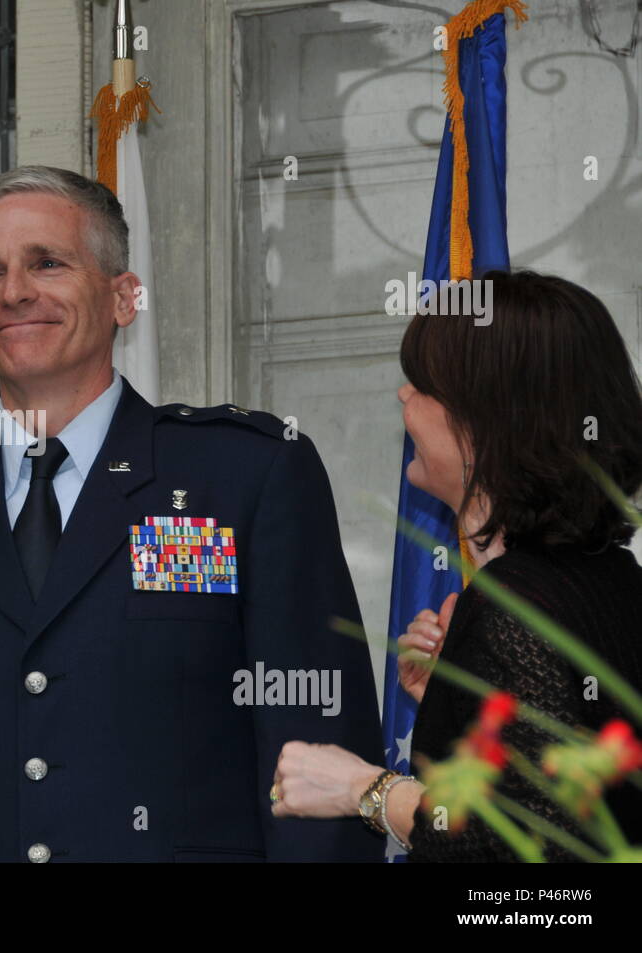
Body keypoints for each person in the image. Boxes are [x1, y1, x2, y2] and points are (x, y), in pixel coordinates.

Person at [0, 165, 383, 862]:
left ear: (123, 298)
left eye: (47, 263)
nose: (14, 291)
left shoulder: (246, 476)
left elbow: (318, 768)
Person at [271, 270, 642, 861]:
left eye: (422, 385)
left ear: (488, 420)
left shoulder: (515, 603)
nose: (403, 398)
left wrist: (364, 789)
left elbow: (531, 864)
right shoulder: (613, 576)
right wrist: (463, 702)